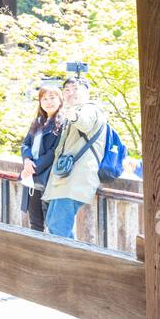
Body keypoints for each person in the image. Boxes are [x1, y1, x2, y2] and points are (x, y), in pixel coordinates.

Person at [42, 77, 105, 239]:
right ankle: (65, 261)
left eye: (76, 89)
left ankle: (68, 263)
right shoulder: (71, 112)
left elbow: (85, 123)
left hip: (76, 178)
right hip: (66, 178)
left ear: (87, 92)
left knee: (57, 225)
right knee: (52, 222)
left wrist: (73, 114)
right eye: (67, 90)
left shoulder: (90, 109)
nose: (71, 93)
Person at [20, 85, 64, 233]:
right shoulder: (37, 121)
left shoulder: (63, 123)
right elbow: (25, 143)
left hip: (48, 177)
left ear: (60, 100)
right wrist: (27, 161)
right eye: (44, 98)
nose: (48, 102)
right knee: (35, 223)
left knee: (52, 224)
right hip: (32, 178)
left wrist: (34, 168)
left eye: (52, 98)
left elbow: (55, 152)